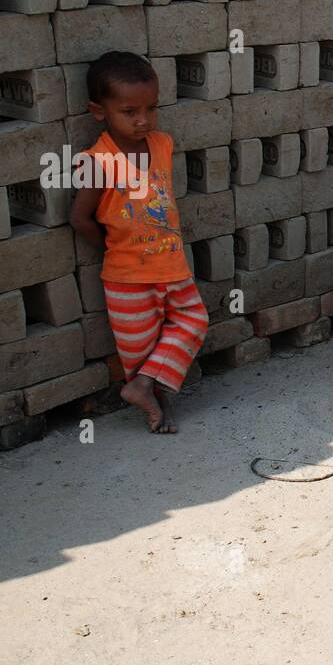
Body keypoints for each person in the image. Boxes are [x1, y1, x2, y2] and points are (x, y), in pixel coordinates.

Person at [68, 51, 208, 433]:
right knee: (139, 350)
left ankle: (144, 386)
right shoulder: (98, 161)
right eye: (129, 112)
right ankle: (156, 406)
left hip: (173, 267)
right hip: (127, 278)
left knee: (194, 320)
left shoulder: (161, 144)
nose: (143, 120)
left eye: (151, 108)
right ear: (99, 111)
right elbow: (80, 218)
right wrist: (116, 250)